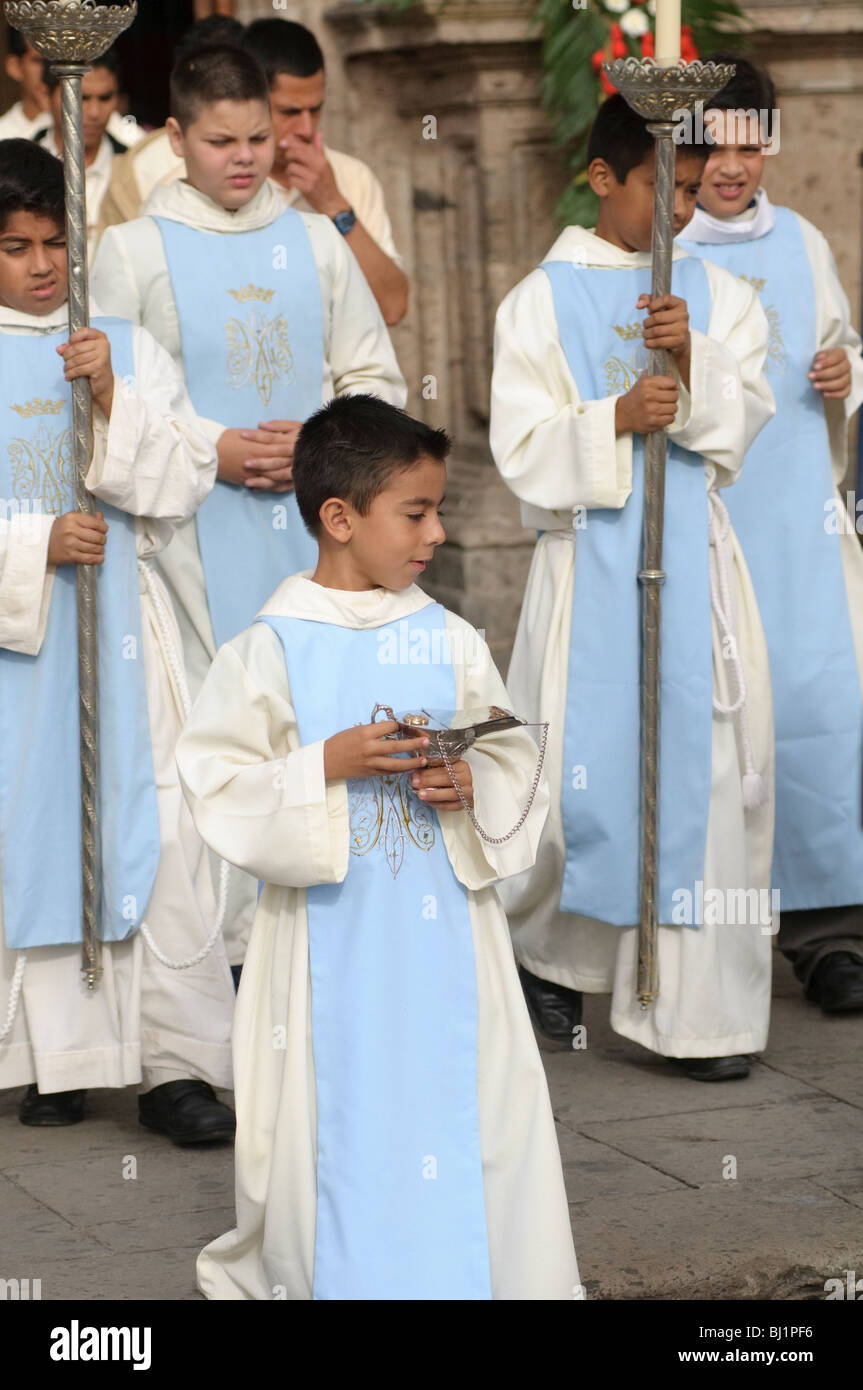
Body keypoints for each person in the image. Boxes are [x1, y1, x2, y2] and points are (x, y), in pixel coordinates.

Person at [175, 393, 580, 1300]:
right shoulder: (268, 650)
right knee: (334, 1116)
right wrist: (323, 762)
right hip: (322, 943)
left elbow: (515, 749)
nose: (435, 532)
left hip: (451, 937)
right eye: (416, 512)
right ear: (339, 517)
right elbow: (217, 781)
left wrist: (474, 785)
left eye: (438, 509)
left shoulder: (450, 637)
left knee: (468, 1105)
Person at [93, 44, 405, 970]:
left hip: (314, 533)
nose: (244, 157)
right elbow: (108, 396)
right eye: (219, 139)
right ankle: (217, 958)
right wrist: (211, 448)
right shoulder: (132, 249)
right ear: (175, 139)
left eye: (260, 137)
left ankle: (322, 937)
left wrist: (316, 447)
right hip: (183, 541)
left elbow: (371, 374)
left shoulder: (315, 241)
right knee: (210, 735)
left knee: (313, 719)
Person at [490, 94, 776, 1081]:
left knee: (701, 777)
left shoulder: (715, 292)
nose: (680, 214)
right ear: (603, 178)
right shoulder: (537, 297)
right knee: (576, 781)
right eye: (664, 188)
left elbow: (745, 419)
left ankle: (693, 1018)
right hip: (586, 567)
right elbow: (521, 447)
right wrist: (610, 415)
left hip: (692, 561)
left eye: (692, 193)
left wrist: (692, 360)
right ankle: (544, 952)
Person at [0, 139, 236, 1142]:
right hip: (23, 648)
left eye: (57, 242)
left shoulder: (129, 346)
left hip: (126, 639)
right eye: (15, 247)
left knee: (163, 837)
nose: (44, 266)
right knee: (33, 833)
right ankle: (58, 1059)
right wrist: (30, 542)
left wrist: (109, 398)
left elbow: (185, 479)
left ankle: (173, 1068)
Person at [677, 56, 863, 1014]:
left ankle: (831, 937)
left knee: (822, 718)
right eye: (711, 141)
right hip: (717, 521)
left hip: (799, 518)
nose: (732, 164)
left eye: (750, 143)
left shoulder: (801, 239)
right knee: (728, 728)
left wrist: (844, 371)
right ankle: (716, 934)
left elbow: (840, 345)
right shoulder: (661, 252)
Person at [242, 19, 408, 326]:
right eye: (290, 112)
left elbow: (393, 307)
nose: (306, 128)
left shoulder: (352, 176)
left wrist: (333, 204)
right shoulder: (216, 181)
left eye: (315, 109)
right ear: (249, 102)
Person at [35, 49, 141, 259]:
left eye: (105, 98)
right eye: (80, 97)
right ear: (45, 95)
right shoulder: (17, 167)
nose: (94, 112)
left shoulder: (134, 166)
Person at [0, 27, 49, 143]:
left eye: (57, 61)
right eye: (39, 61)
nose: (50, 70)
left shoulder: (90, 130)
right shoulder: (3, 134)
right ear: (14, 67)